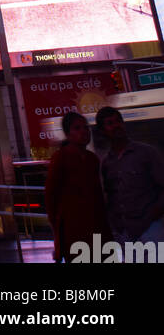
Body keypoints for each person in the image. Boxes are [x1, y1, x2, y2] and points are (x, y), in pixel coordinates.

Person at [44, 112, 110, 263]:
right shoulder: (61, 158)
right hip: (73, 227)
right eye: (77, 128)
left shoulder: (92, 159)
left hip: (96, 224)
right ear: (68, 134)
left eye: (86, 127)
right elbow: (51, 196)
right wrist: (57, 234)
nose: (84, 132)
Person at [95, 105, 164, 246]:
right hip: (125, 233)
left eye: (118, 121)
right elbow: (111, 197)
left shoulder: (146, 153)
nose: (116, 126)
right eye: (110, 123)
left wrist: (155, 214)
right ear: (102, 131)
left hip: (150, 229)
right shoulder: (107, 163)